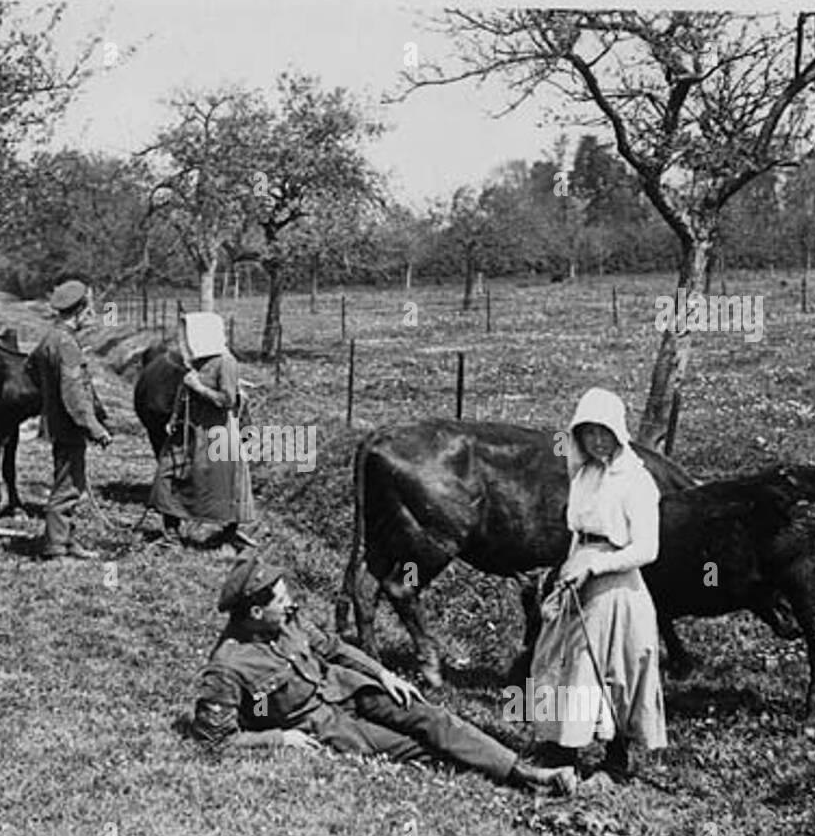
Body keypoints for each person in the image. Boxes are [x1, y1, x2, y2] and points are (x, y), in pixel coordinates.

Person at [190, 553, 576, 794]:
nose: (290, 603)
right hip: (324, 724)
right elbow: (215, 742)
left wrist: (383, 674)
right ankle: (514, 780)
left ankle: (525, 772)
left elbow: (335, 649)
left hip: (349, 689)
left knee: (432, 716)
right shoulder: (228, 667)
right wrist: (281, 738)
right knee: (416, 750)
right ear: (255, 613)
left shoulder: (286, 621)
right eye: (279, 599)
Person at [527, 386, 667, 777]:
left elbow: (648, 549)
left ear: (618, 432)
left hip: (615, 582)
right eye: (588, 432)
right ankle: (563, 748)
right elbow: (579, 530)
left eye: (603, 431)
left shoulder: (636, 482)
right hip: (579, 572)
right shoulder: (584, 475)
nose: (596, 440)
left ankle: (616, 757)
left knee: (610, 666)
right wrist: (568, 567)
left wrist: (596, 567)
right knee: (562, 659)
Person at [149, 312, 255, 554]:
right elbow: (183, 391)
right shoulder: (197, 360)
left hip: (216, 432)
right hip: (189, 428)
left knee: (225, 484)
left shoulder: (226, 362)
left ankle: (228, 533)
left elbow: (227, 400)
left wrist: (198, 387)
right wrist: (174, 418)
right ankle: (171, 533)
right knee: (168, 475)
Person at [27, 279, 112, 561]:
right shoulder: (67, 344)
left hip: (58, 421)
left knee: (72, 482)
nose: (93, 313)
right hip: (70, 426)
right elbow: (74, 394)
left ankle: (67, 539)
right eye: (90, 307)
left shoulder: (50, 338)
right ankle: (55, 548)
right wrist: (95, 427)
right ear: (82, 309)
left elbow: (32, 371)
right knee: (67, 488)